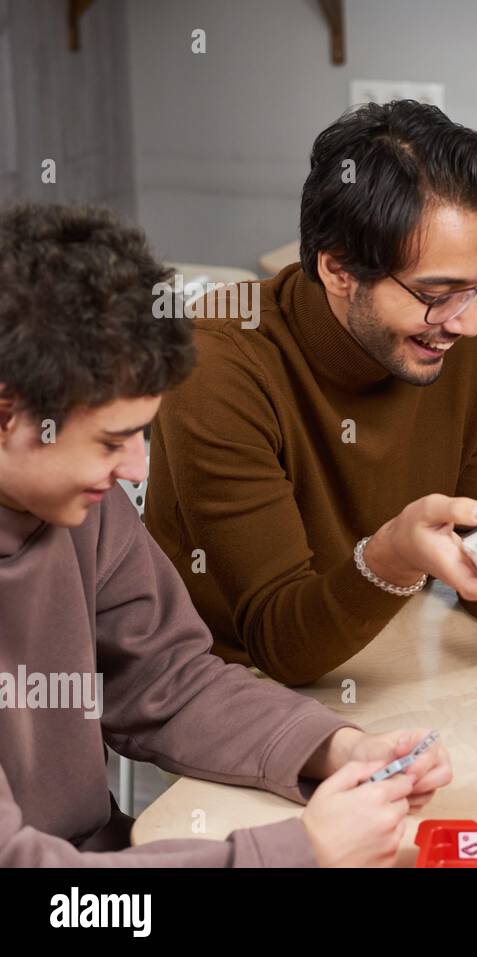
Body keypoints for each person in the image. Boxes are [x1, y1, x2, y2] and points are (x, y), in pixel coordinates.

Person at [0, 203, 450, 865]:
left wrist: (334, 747)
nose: (136, 468)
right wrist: (298, 852)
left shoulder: (74, 500)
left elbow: (168, 677)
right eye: (110, 441)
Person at [144, 101, 477, 686]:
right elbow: (281, 645)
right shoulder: (217, 363)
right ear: (338, 269)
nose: (467, 321)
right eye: (437, 293)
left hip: (391, 648)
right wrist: (392, 555)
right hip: (236, 681)